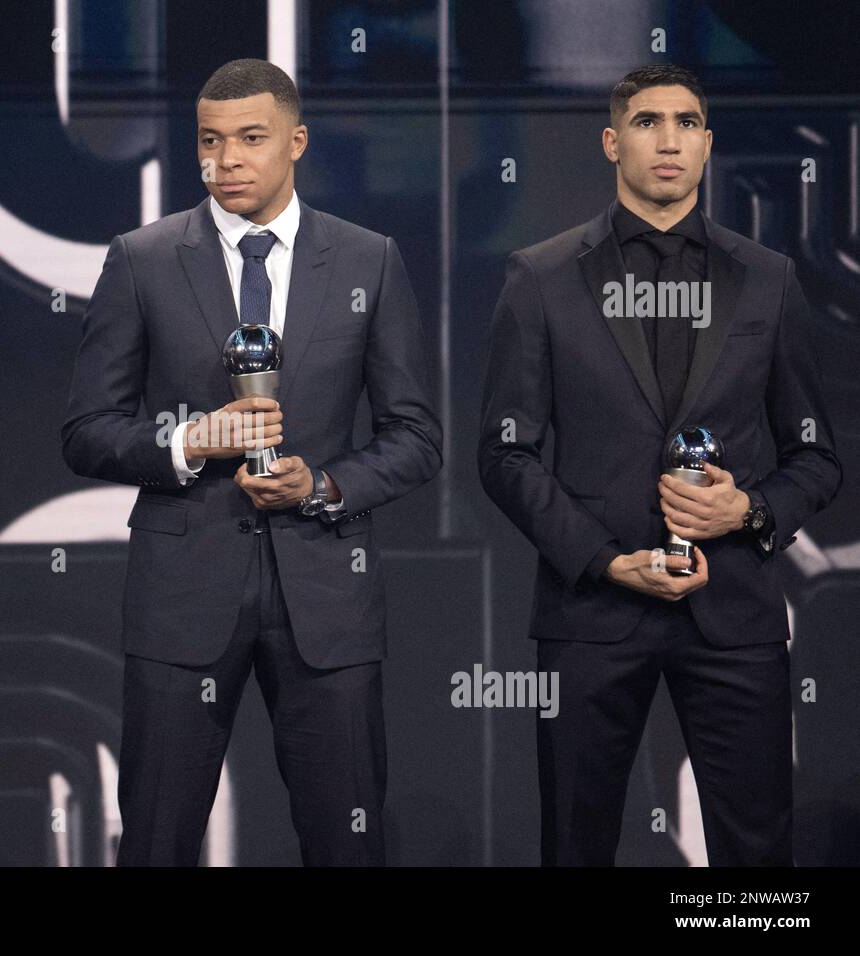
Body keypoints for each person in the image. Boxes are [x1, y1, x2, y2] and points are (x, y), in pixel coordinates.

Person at [62, 59, 442, 865]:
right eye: (209, 141)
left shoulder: (368, 261)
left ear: (295, 142)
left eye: (249, 138)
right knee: (157, 840)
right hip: (181, 594)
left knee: (346, 843)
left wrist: (326, 482)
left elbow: (416, 436)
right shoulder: (143, 259)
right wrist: (188, 441)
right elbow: (87, 430)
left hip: (326, 597)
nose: (226, 159)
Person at [477, 65, 842, 865]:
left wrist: (745, 511)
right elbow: (505, 453)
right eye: (647, 121)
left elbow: (815, 457)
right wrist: (608, 562)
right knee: (576, 846)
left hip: (736, 612)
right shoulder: (540, 278)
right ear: (613, 141)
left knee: (755, 857)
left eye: (686, 122)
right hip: (591, 617)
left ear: (708, 144)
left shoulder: (770, 279)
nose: (669, 138)